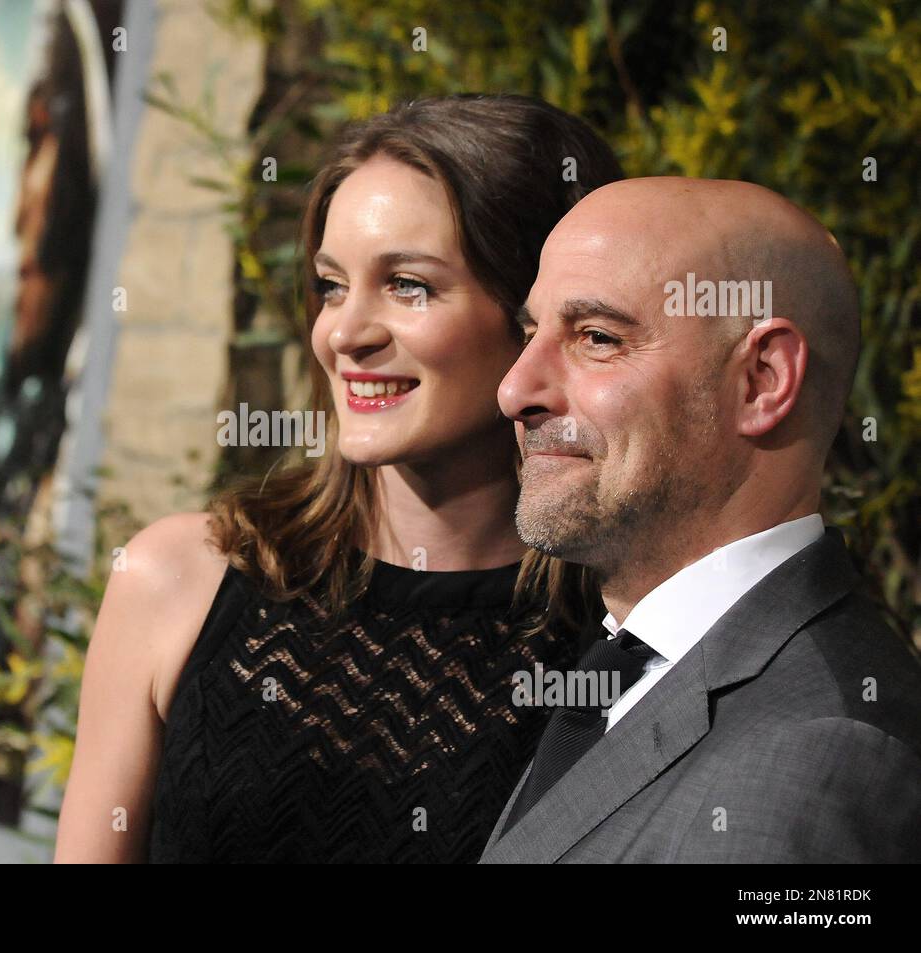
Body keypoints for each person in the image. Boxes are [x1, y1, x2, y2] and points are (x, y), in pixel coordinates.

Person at [54, 94, 623, 863]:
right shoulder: (177, 579)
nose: (345, 333)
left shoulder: (621, 642)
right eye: (331, 285)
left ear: (535, 316)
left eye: (407, 285)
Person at [481, 176, 921, 863]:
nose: (514, 390)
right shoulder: (623, 662)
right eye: (532, 332)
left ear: (762, 381)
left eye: (596, 337)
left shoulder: (821, 757)